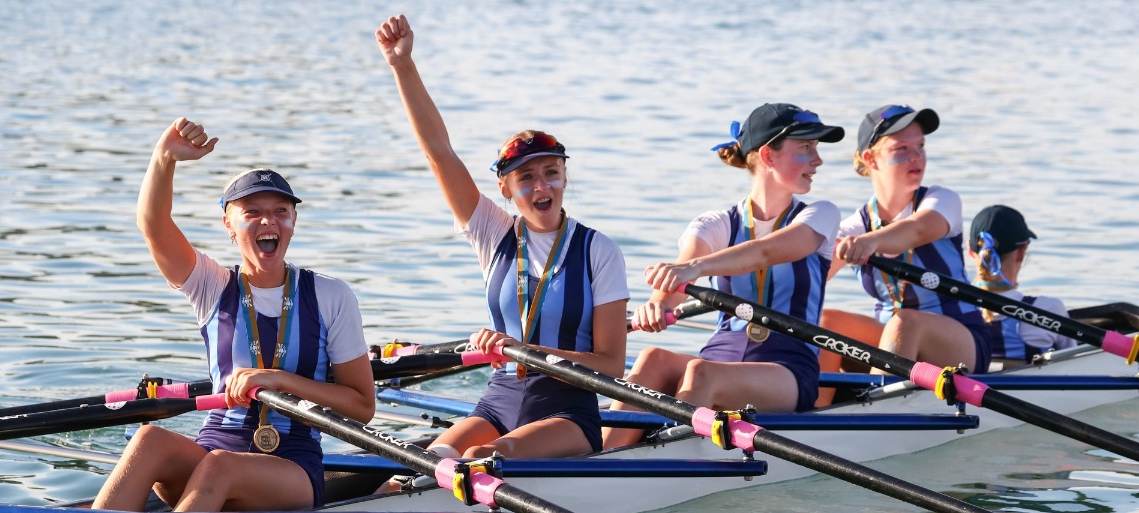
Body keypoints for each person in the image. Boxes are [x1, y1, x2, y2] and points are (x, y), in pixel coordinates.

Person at [75, 118, 376, 513]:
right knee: (149, 439)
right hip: (211, 451)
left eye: (280, 211)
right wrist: (164, 159)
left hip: (290, 467)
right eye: (251, 212)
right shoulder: (213, 285)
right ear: (229, 225)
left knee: (221, 467)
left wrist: (279, 380)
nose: (267, 221)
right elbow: (153, 227)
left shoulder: (331, 295)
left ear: (293, 221)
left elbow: (362, 406)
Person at [375, 14, 629, 467]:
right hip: (499, 399)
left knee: (483, 456)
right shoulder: (494, 233)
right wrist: (402, 66)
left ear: (565, 176)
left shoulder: (598, 251)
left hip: (568, 411)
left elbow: (610, 365)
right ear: (506, 191)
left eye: (551, 173)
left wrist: (528, 352)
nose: (541, 187)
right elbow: (439, 153)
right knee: (421, 468)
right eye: (526, 178)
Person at [603, 103, 844, 449]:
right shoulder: (716, 223)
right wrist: (656, 304)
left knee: (701, 373)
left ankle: (664, 463)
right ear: (768, 155)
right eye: (806, 148)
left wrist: (698, 268)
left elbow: (765, 251)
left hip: (787, 368)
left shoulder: (820, 215)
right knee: (652, 358)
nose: (817, 160)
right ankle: (605, 456)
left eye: (816, 149)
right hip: (719, 356)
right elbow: (681, 273)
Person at [815, 105, 992, 406]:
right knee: (826, 321)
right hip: (891, 341)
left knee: (905, 322)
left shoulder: (941, 201)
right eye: (902, 148)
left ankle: (881, 416)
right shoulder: (854, 226)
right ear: (870, 159)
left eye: (920, 146)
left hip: (961, 342)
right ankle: (809, 414)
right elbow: (809, 278)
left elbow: (917, 229)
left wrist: (870, 242)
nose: (917, 157)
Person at [968, 204, 1075, 365]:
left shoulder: (951, 310)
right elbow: (1073, 365)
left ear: (970, 251)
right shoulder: (1048, 309)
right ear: (1021, 252)